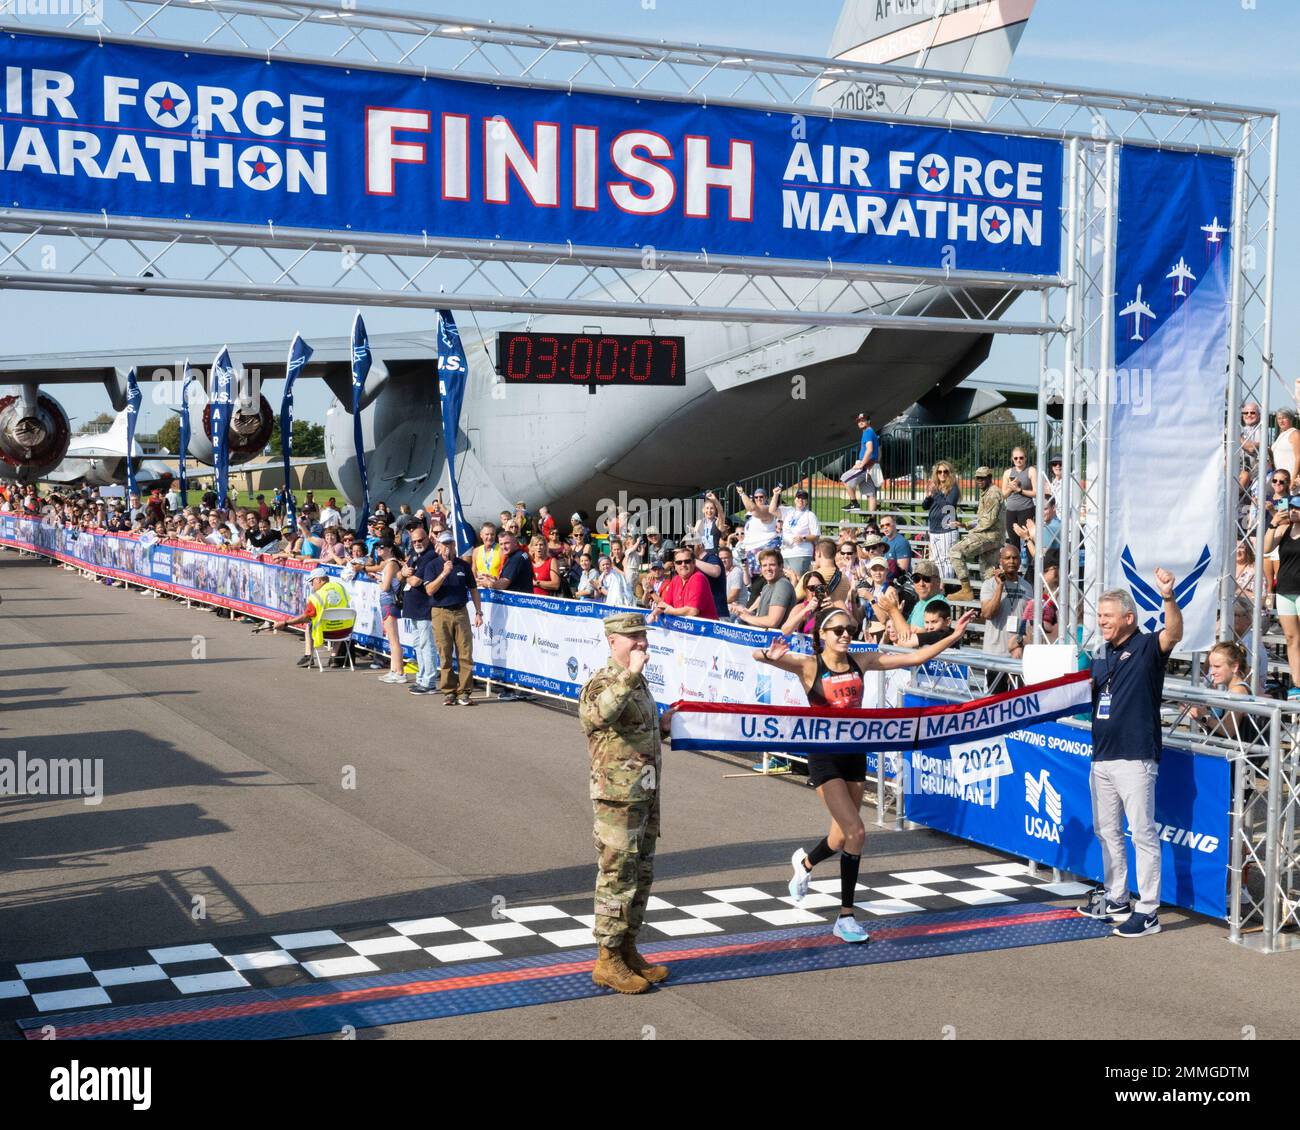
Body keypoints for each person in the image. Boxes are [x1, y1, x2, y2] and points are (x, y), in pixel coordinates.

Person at [758, 604, 972, 944]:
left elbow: (914, 659)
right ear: (822, 636)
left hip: (855, 754)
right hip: (824, 756)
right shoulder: (811, 664)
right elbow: (761, 656)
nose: (846, 635)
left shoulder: (862, 661)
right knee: (857, 830)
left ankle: (806, 864)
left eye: (850, 630)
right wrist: (770, 652)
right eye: (838, 630)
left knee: (841, 837)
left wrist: (954, 636)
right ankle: (845, 917)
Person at [1077, 575, 1182, 938]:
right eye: (1100, 615)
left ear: (1129, 618)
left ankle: (1149, 910)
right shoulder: (1101, 655)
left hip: (1136, 756)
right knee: (1106, 831)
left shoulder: (1149, 646)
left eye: (1108, 616)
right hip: (1101, 755)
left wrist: (1168, 597)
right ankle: (1117, 896)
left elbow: (1174, 633)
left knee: (1142, 834)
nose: (1102, 621)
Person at [579, 612, 676, 994]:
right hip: (617, 798)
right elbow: (600, 716)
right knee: (617, 875)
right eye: (632, 637)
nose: (641, 643)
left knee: (641, 874)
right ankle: (607, 958)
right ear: (612, 641)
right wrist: (630, 674)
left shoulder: (636, 683)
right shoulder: (604, 681)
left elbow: (634, 732)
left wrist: (664, 726)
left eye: (643, 636)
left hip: (645, 793)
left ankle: (628, 948)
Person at [426, 530, 484, 706]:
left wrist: (478, 612)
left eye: (450, 543)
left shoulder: (463, 566)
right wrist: (444, 574)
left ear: (454, 545)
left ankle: (465, 692)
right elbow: (429, 590)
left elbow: (473, 589)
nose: (448, 547)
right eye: (444, 544)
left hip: (460, 611)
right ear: (439, 546)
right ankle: (449, 691)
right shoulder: (433, 566)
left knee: (465, 653)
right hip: (440, 611)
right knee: (445, 653)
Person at [948, 467, 1005, 602]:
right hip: (993, 536)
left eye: (983, 478)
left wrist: (971, 532)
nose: (979, 481)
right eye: (977, 478)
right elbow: (983, 519)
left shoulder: (992, 494)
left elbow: (987, 521)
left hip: (989, 536)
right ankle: (992, 601)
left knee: (955, 552)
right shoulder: (987, 492)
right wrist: (965, 525)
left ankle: (966, 590)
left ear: (989, 478)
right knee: (988, 573)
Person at [282, 567, 356, 669]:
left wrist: (286, 623)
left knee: (309, 625)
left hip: (324, 632)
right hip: (344, 631)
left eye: (312, 581)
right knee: (339, 621)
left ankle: (308, 656)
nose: (312, 584)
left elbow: (306, 617)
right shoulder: (340, 588)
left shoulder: (316, 597)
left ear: (319, 580)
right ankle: (334, 657)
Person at [1263, 502, 1300, 701]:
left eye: (1298, 508)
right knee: (1291, 639)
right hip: (1285, 590)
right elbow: (1266, 547)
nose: (1294, 510)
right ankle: (1298, 684)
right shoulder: (1285, 528)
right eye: (1292, 506)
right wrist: (1273, 524)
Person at [400, 525, 441, 695]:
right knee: (418, 645)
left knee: (427, 645)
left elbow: (416, 581)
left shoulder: (430, 556)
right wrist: (403, 571)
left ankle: (429, 681)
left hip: (425, 608)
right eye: (414, 541)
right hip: (413, 607)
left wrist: (406, 575)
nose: (417, 543)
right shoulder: (415, 555)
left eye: (420, 540)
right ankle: (422, 677)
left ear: (428, 539)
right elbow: (400, 575)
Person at [1189, 642, 1253, 741]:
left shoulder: (1237, 691)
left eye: (1217, 666)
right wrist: (1199, 716)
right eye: (1211, 666)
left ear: (1234, 667)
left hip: (1235, 754)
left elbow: (1229, 730)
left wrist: (1205, 717)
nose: (1212, 672)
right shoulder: (1235, 689)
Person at [979, 545, 1031, 660]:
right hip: (994, 654)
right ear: (1000, 561)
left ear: (1020, 560)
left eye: (1015, 558)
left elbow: (1029, 621)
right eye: (1007, 558)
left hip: (1018, 654)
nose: (1011, 561)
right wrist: (1000, 586)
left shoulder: (1028, 587)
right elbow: (987, 613)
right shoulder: (989, 585)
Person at [649, 544, 717, 621]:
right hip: (686, 628)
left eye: (687, 561)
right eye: (679, 562)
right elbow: (665, 603)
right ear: (674, 565)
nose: (683, 565)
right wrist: (655, 613)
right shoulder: (676, 579)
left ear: (694, 563)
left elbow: (692, 611)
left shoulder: (698, 578)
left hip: (706, 630)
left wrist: (672, 611)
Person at [730, 548, 794, 629]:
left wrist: (745, 617)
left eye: (772, 565)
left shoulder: (782, 585)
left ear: (781, 566)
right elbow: (761, 618)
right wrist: (743, 612)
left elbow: (772, 622)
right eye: (764, 565)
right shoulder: (767, 587)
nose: (768, 569)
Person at [922, 462, 961, 581]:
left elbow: (947, 507)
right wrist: (929, 496)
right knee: (937, 560)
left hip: (947, 529)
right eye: (939, 472)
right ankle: (940, 586)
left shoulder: (953, 488)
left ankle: (948, 586)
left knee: (947, 560)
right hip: (934, 529)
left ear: (950, 473)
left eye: (945, 471)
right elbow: (924, 506)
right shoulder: (936, 488)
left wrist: (936, 494)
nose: (942, 474)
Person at [841, 412, 880, 514]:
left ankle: (854, 504)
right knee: (870, 494)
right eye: (859, 421)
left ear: (868, 421)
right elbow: (878, 451)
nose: (861, 422)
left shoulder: (867, 432)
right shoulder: (871, 432)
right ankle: (872, 519)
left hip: (866, 466)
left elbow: (869, 449)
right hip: (872, 465)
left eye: (863, 420)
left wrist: (862, 464)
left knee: (845, 478)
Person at [1001, 448, 1036, 552]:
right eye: (1016, 458)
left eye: (1021, 458)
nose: (1018, 460)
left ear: (1025, 458)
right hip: (1011, 511)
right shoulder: (1007, 473)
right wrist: (1010, 488)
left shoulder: (1031, 471)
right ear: (1012, 459)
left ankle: (1030, 566)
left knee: (1028, 539)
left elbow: (1036, 493)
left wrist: (1020, 490)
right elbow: (1003, 495)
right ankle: (1016, 566)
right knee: (1013, 541)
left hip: (1026, 509)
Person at [779, 489, 820, 578]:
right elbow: (771, 510)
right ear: (795, 499)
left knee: (798, 582)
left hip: (801, 553)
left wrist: (803, 538)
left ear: (807, 501)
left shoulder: (810, 515)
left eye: (803, 498)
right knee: (786, 583)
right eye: (798, 497)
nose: (800, 500)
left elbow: (816, 536)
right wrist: (775, 494)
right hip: (785, 552)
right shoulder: (789, 512)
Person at [877, 515, 911, 580]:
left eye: (887, 524)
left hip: (898, 581)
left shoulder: (901, 542)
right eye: (882, 526)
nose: (885, 527)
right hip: (884, 577)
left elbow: (902, 571)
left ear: (894, 524)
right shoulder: (884, 540)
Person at [1272, 407, 1300, 482]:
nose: (1281, 421)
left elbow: (1298, 457)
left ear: (1291, 419)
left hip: (1291, 478)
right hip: (1280, 479)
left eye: (1284, 418)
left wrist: (1293, 479)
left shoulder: (1295, 433)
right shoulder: (1281, 435)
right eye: (1279, 418)